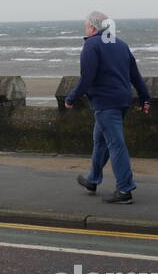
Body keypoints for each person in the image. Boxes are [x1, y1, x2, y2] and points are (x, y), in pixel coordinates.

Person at [64, 11, 151, 204]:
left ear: (93, 28)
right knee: (100, 141)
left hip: (105, 102)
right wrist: (145, 97)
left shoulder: (91, 45)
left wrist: (71, 97)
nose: (85, 29)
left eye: (86, 25)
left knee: (116, 144)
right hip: (122, 101)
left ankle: (124, 190)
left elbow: (87, 78)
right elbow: (135, 75)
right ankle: (92, 180)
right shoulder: (121, 45)